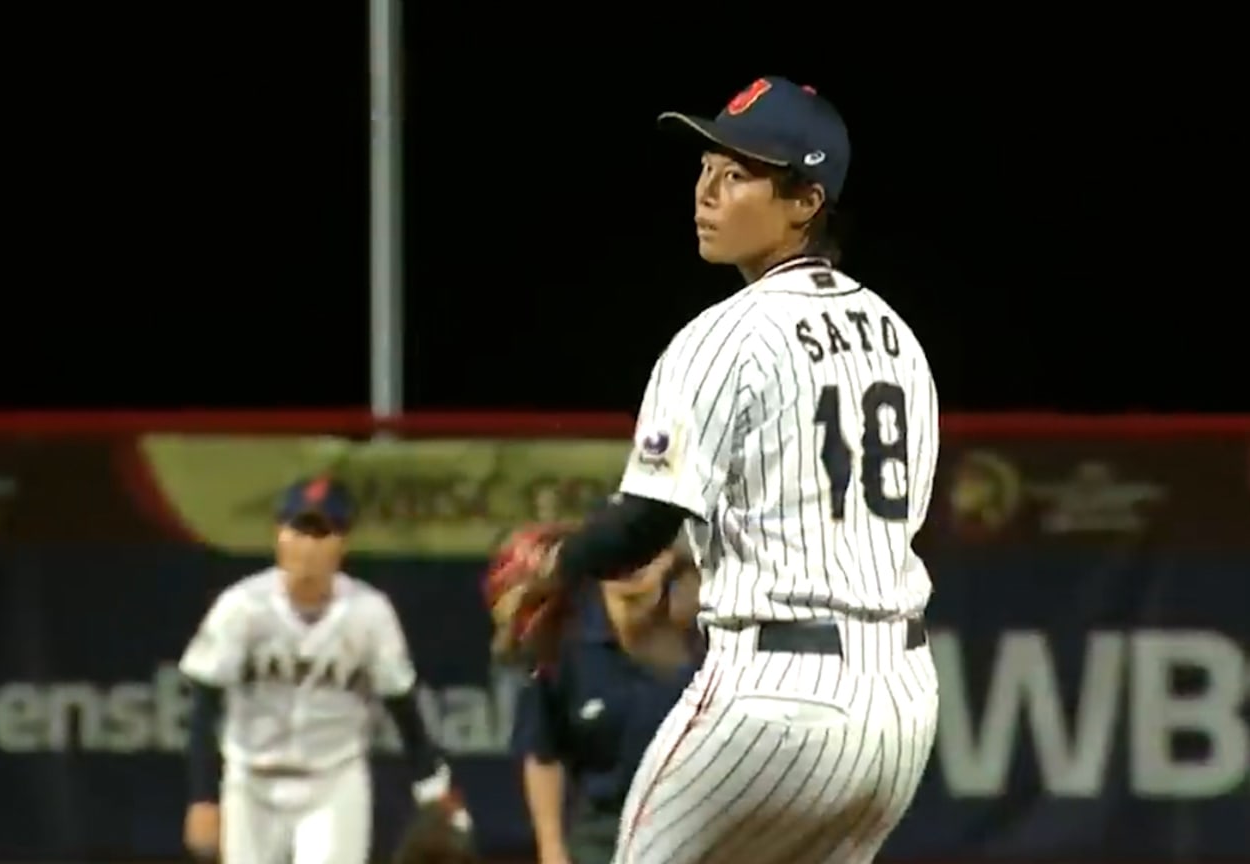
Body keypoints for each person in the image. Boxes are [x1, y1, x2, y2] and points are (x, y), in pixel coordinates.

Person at [518, 76, 941, 863]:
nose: (707, 191)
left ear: (806, 201)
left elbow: (642, 524)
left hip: (774, 694)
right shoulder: (899, 339)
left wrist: (557, 564)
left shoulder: (724, 335)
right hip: (902, 700)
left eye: (738, 174)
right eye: (707, 168)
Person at [179, 475, 471, 864]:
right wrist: (203, 798)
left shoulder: (370, 613)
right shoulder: (242, 607)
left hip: (333, 784)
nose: (309, 546)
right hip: (250, 785)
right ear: (278, 536)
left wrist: (433, 788)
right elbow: (204, 706)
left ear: (343, 543)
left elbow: (404, 708)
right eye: (299, 530)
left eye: (324, 533)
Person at [491, 521, 700, 864]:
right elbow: (544, 753)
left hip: (700, 828)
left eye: (644, 550)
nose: (631, 564)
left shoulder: (710, 638)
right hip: (604, 836)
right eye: (618, 553)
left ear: (669, 559)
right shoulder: (563, 644)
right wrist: (552, 849)